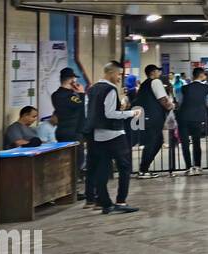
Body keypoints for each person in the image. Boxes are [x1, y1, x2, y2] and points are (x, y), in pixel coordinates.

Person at [86, 61, 141, 215]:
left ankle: (105, 204)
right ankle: (121, 201)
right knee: (125, 167)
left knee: (102, 170)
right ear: (111, 73)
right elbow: (110, 114)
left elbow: (91, 111)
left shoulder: (92, 89)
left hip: (98, 136)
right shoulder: (110, 90)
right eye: (119, 74)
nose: (119, 78)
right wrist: (131, 113)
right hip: (115, 135)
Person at [51, 67, 89, 202]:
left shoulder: (55, 95)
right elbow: (81, 108)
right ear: (72, 80)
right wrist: (82, 93)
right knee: (76, 162)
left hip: (60, 131)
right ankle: (72, 191)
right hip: (74, 133)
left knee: (64, 162)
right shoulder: (72, 97)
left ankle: (65, 190)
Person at [133, 64, 173, 177]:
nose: (159, 74)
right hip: (154, 117)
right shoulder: (155, 82)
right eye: (158, 71)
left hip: (145, 116)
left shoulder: (144, 84)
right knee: (153, 142)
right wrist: (171, 106)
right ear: (153, 73)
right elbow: (162, 99)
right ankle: (143, 170)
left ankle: (144, 168)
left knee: (157, 141)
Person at [177, 67, 208, 175]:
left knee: (185, 143)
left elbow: (179, 101)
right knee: (197, 143)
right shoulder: (206, 88)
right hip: (197, 118)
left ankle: (188, 168)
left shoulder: (184, 88)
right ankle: (198, 166)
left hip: (183, 117)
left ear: (193, 76)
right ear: (201, 76)